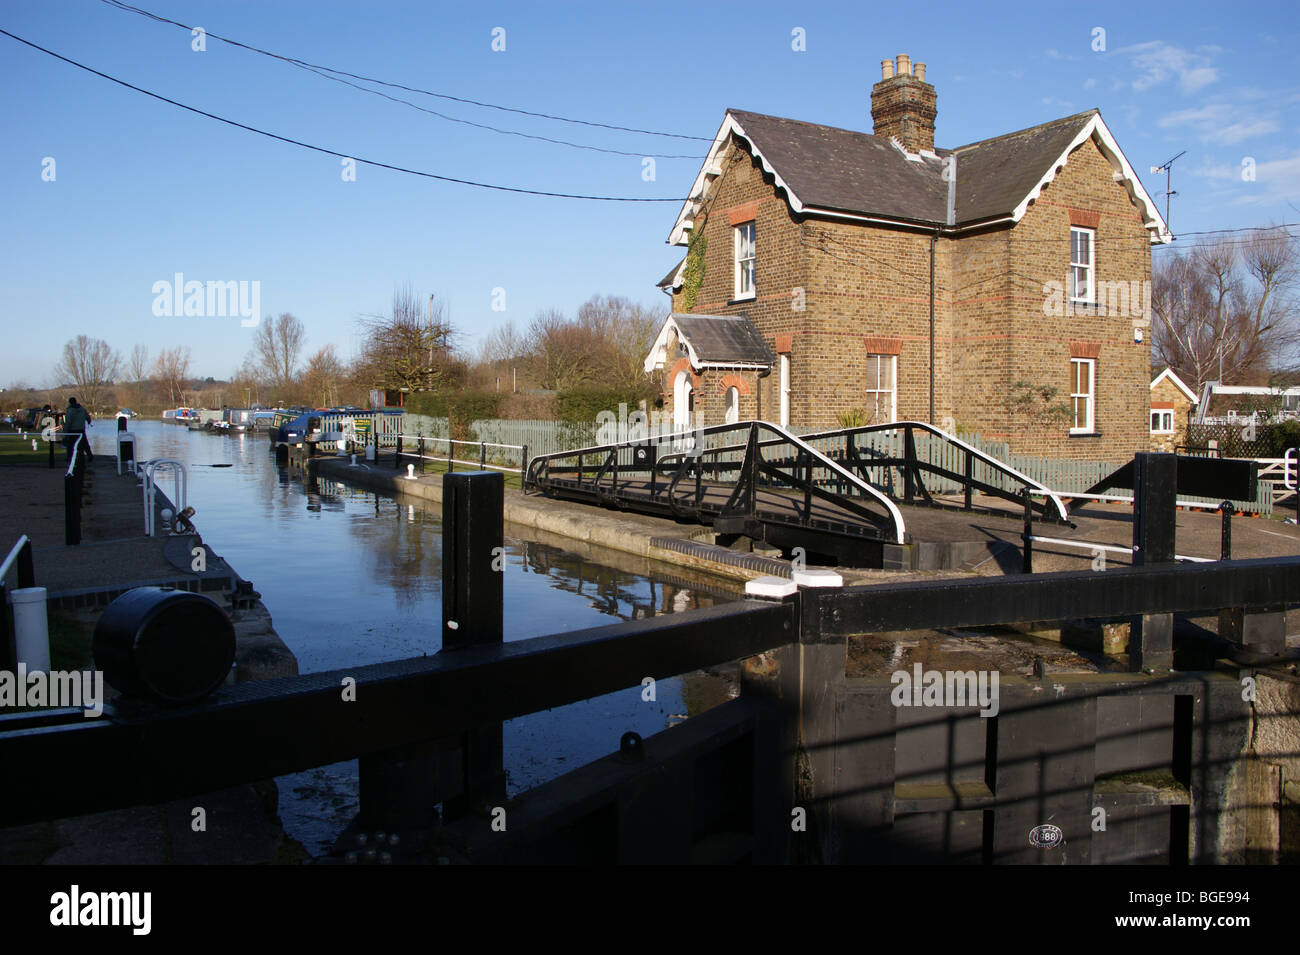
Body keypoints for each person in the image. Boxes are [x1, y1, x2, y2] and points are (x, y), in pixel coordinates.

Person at [62, 397, 93, 465]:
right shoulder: (82, 409)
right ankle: (90, 455)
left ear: (70, 402)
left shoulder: (69, 410)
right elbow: (88, 417)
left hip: (72, 430)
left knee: (70, 444)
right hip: (81, 429)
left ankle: (69, 457)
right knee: (85, 443)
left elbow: (68, 421)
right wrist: (89, 422)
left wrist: (65, 430)